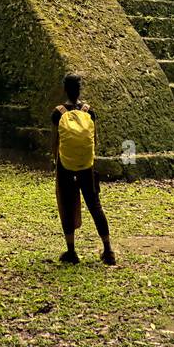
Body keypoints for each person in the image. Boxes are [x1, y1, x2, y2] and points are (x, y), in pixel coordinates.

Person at [52, 74, 116, 265]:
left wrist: (55, 160)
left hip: (65, 165)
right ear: (80, 90)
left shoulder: (58, 113)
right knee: (95, 205)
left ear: (64, 89)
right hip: (87, 166)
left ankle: (71, 251)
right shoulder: (89, 111)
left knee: (66, 203)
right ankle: (108, 250)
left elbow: (55, 142)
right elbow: (95, 141)